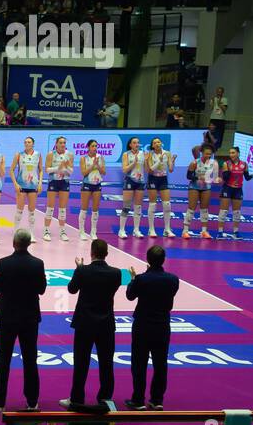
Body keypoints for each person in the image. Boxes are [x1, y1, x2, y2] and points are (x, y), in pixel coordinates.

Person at [0, 229, 47, 412]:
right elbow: (42, 289)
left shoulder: (3, 263)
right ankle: (32, 401)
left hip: (7, 317)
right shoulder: (38, 264)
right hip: (29, 317)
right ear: (29, 243)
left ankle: (0, 401)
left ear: (14, 243)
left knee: (4, 360)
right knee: (30, 359)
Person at [63, 238, 122, 408]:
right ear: (106, 254)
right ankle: (105, 398)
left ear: (92, 253)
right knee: (106, 362)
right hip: (106, 324)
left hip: (85, 323)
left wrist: (79, 269)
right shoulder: (116, 273)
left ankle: (76, 399)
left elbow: (72, 289)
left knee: (81, 362)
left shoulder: (83, 271)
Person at [125, 245, 180, 410]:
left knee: (139, 363)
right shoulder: (173, 279)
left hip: (143, 325)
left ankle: (138, 400)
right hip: (162, 325)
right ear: (163, 260)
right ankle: (157, 400)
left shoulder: (141, 279)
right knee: (161, 364)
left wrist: (134, 278)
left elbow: (130, 295)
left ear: (147, 260)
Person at [214, 146, 253, 238]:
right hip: (228, 188)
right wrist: (230, 170)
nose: (231, 155)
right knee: (223, 211)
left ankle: (235, 232)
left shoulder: (244, 164)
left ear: (238, 153)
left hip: (238, 190)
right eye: (230, 153)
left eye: (233, 152)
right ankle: (220, 232)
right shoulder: (226, 164)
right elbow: (225, 178)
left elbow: (247, 178)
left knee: (237, 212)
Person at [144, 137, 177, 238]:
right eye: (154, 143)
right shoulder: (149, 154)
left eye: (158, 142)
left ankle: (167, 229)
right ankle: (151, 229)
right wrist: (159, 161)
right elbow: (149, 170)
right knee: (153, 204)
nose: (157, 144)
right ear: (152, 145)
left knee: (167, 204)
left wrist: (172, 161)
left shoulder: (167, 153)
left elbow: (170, 170)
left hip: (163, 179)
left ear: (161, 143)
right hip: (153, 179)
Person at [10, 136, 42, 241]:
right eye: (25, 142)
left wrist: (40, 183)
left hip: (33, 186)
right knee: (19, 210)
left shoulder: (38, 155)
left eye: (29, 142)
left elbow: (41, 170)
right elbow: (11, 170)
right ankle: (15, 232)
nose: (27, 143)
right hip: (21, 186)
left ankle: (32, 234)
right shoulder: (19, 155)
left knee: (32, 211)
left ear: (33, 144)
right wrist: (15, 184)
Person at [42, 136, 73, 242]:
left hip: (64, 182)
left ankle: (62, 231)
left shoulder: (69, 155)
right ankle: (46, 230)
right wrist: (58, 168)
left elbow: (71, 171)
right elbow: (47, 169)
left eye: (64, 142)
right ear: (56, 144)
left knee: (62, 208)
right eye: (60, 142)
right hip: (53, 181)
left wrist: (65, 167)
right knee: (50, 207)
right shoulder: (51, 154)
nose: (63, 144)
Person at [117, 136, 147, 238]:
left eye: (138, 142)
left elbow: (147, 170)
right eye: (134, 143)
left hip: (140, 182)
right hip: (129, 180)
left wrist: (147, 161)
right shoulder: (126, 154)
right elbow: (124, 170)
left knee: (138, 208)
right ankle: (121, 230)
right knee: (126, 207)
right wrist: (134, 162)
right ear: (130, 145)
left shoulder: (143, 154)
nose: (137, 144)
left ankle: (136, 230)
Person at [78, 139, 106, 241]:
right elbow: (84, 173)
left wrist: (97, 165)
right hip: (87, 184)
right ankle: (81, 232)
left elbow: (104, 172)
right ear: (88, 147)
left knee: (95, 209)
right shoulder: (83, 158)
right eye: (93, 146)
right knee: (84, 208)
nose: (95, 148)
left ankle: (93, 232)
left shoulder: (100, 158)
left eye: (96, 146)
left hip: (97, 184)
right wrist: (92, 165)